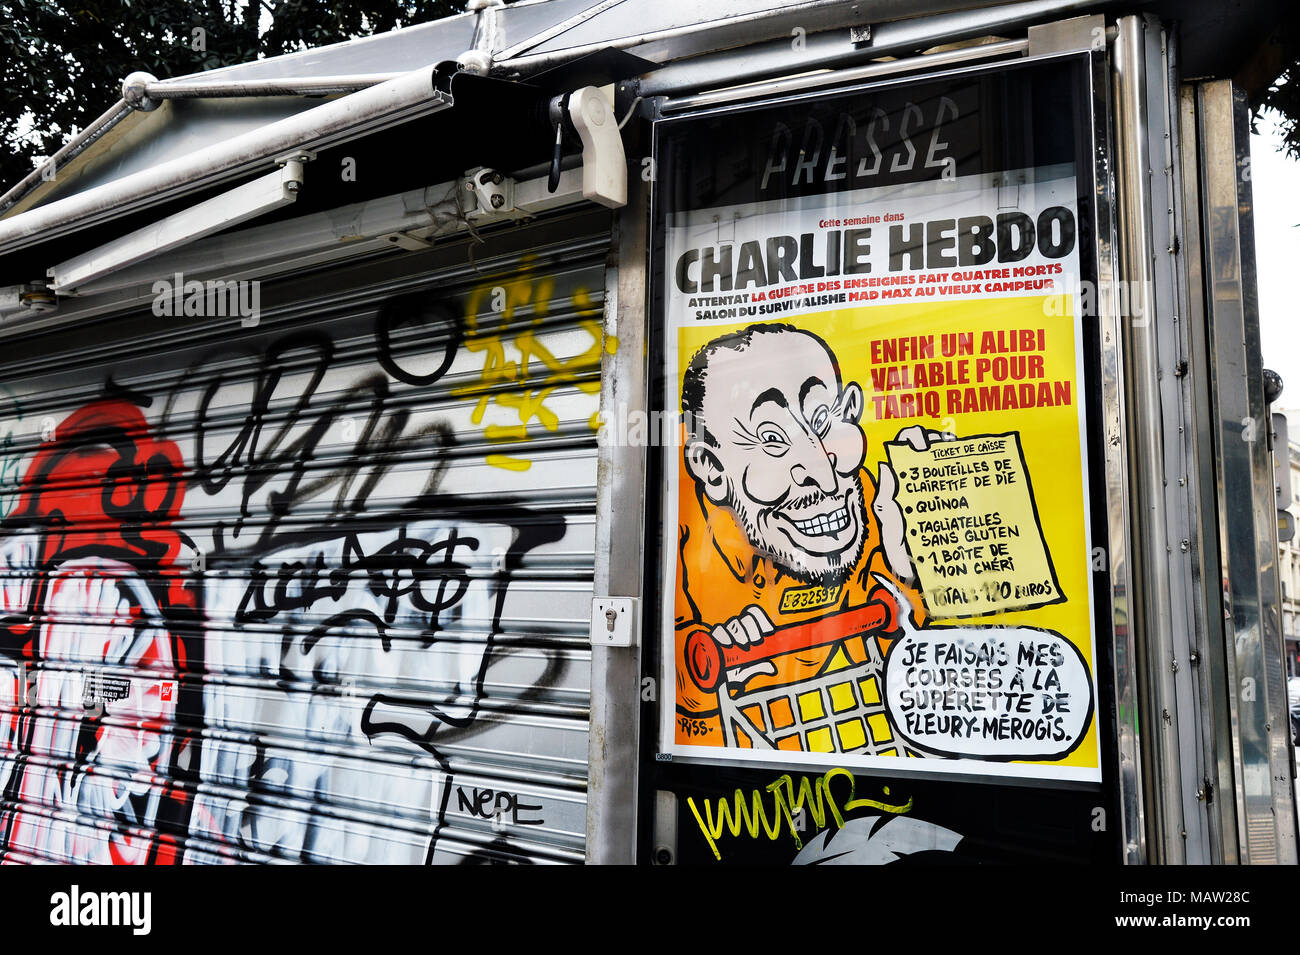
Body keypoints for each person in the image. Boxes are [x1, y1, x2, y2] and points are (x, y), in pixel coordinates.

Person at [674, 323, 927, 751]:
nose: (826, 477)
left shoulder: (869, 501)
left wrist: (908, 566)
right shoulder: (677, 541)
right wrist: (712, 663)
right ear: (712, 468)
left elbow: (907, 639)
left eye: (823, 419)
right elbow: (672, 686)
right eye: (772, 440)